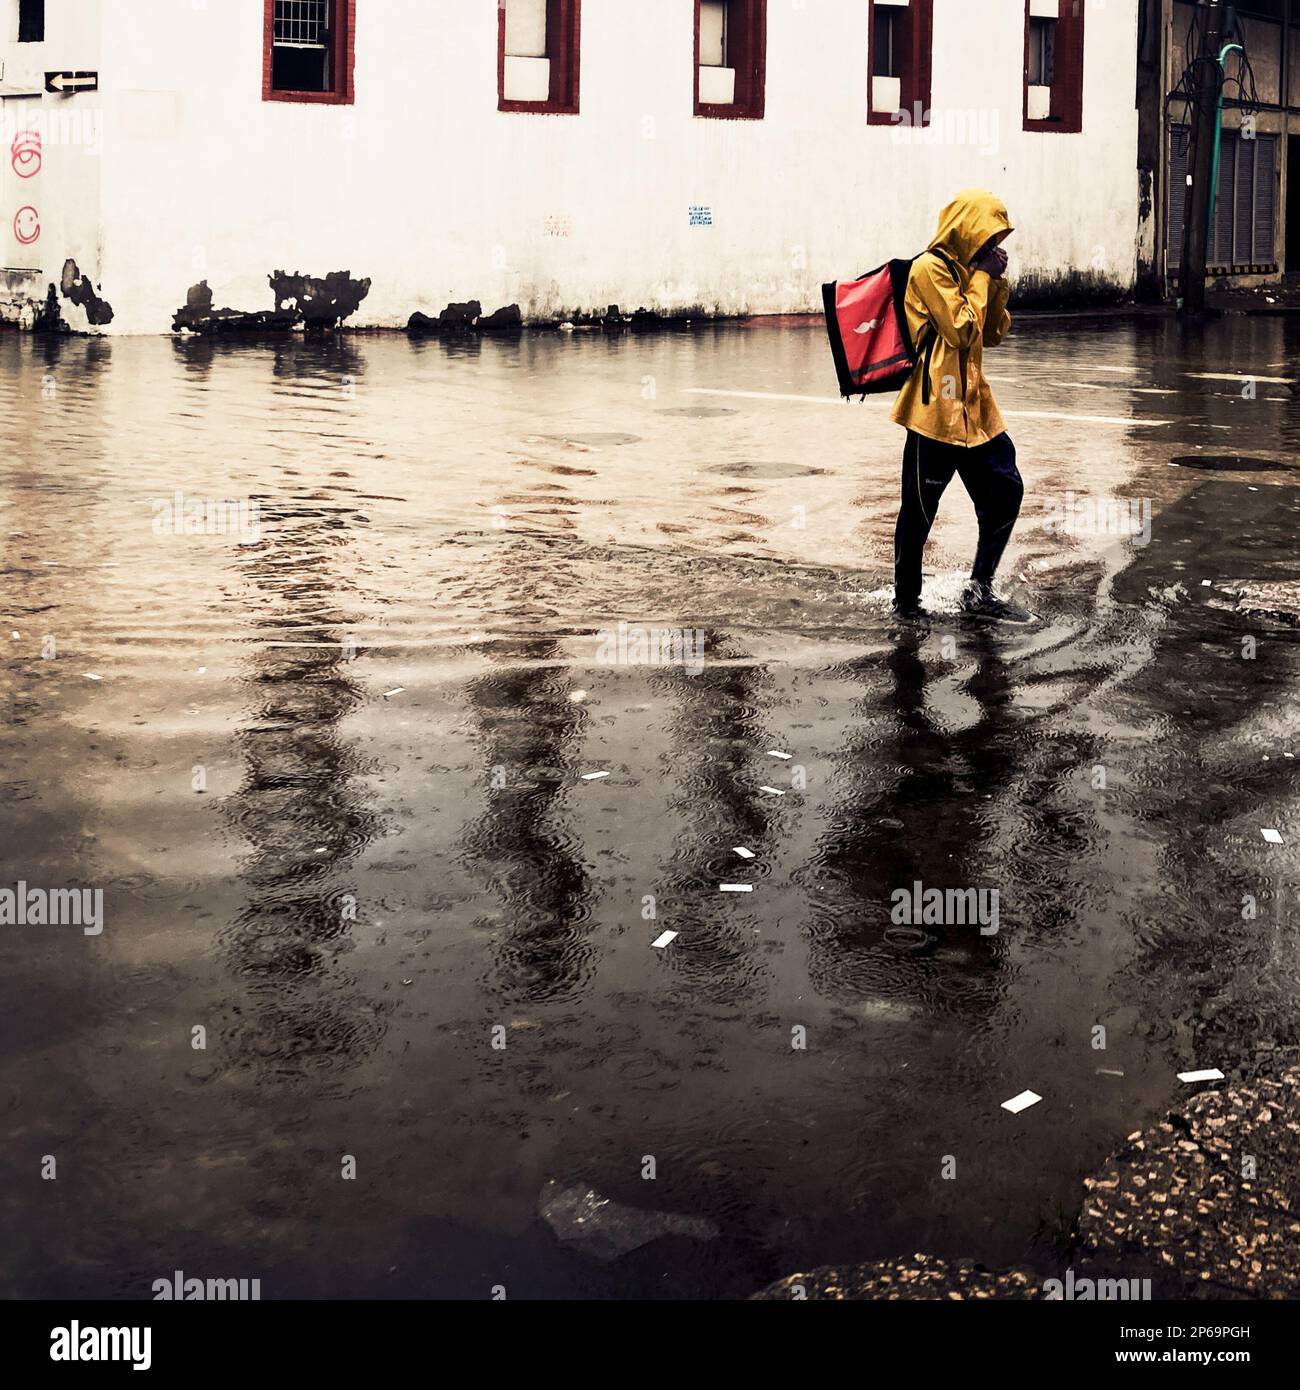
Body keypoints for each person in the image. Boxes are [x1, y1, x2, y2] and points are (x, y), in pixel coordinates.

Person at [890, 189, 1031, 624]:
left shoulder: (971, 273)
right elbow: (961, 329)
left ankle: (979, 588)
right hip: (935, 412)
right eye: (988, 238)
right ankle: (907, 603)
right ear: (966, 230)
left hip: (976, 411)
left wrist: (995, 281)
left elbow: (991, 333)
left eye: (997, 241)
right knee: (918, 511)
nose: (994, 248)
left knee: (1006, 491)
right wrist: (984, 277)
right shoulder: (929, 269)